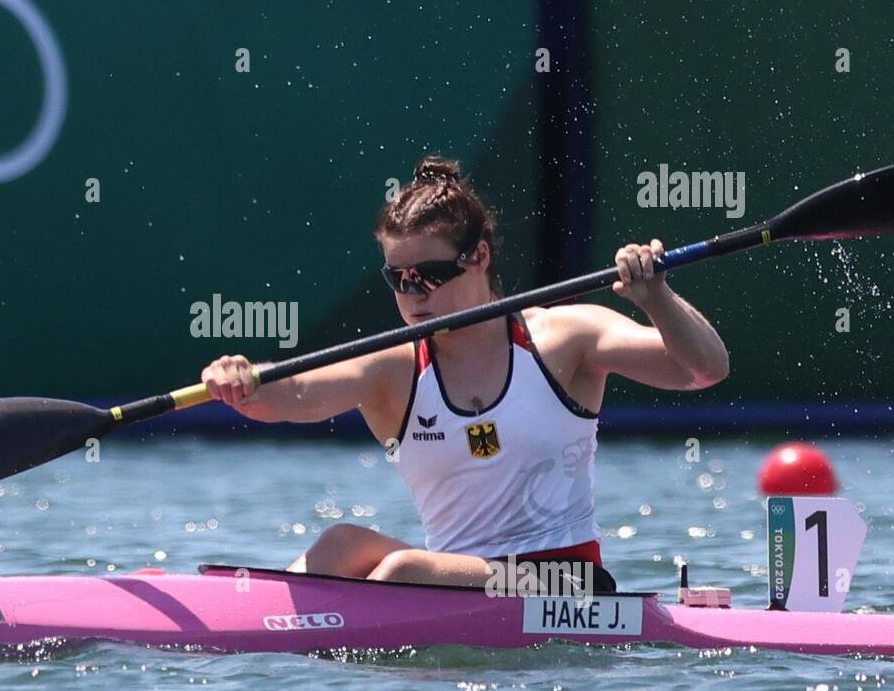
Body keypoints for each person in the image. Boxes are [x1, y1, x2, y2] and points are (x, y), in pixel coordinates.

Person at [201, 155, 730, 591]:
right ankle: (246, 616)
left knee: (406, 571)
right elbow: (291, 392)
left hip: (568, 582)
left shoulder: (564, 339)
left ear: (477, 257)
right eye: (399, 280)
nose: (413, 297)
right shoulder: (394, 366)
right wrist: (244, 379)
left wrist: (657, 297)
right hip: (456, 580)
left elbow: (703, 369)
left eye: (429, 277)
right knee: (341, 544)